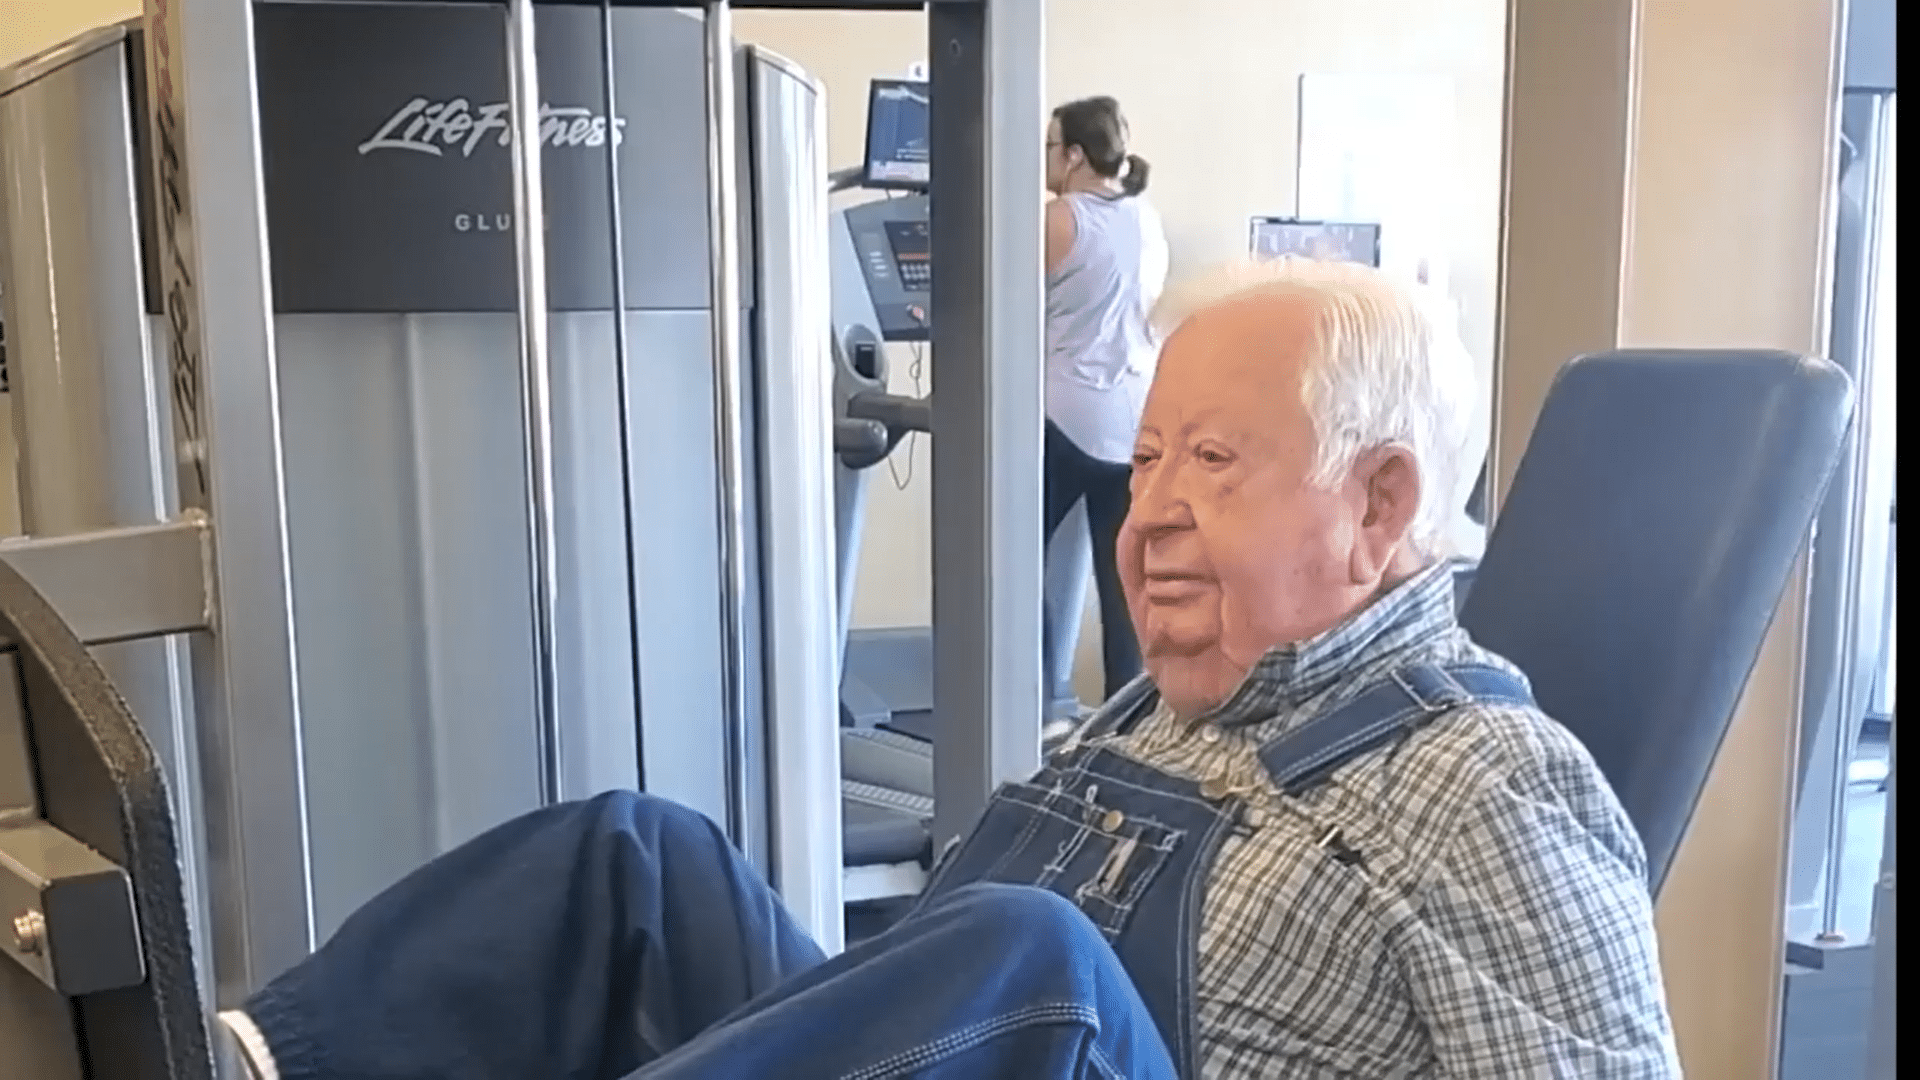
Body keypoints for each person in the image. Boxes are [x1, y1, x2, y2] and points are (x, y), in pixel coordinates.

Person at [213, 257, 1681, 1080]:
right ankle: (244, 1066)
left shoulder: (1489, 784)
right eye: (1150, 455)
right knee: (637, 863)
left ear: (1377, 506)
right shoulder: (1176, 701)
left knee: (1030, 961)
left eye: (1215, 463)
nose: (1150, 510)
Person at [1043, 95, 1170, 705]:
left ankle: (1030, 703)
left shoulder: (1059, 218)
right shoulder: (1146, 217)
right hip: (1133, 423)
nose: (1045, 161)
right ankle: (1129, 720)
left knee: (1012, 565)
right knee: (1124, 584)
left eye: (1050, 147)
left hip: (1062, 415)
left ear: (1072, 155)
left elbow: (1005, 313)